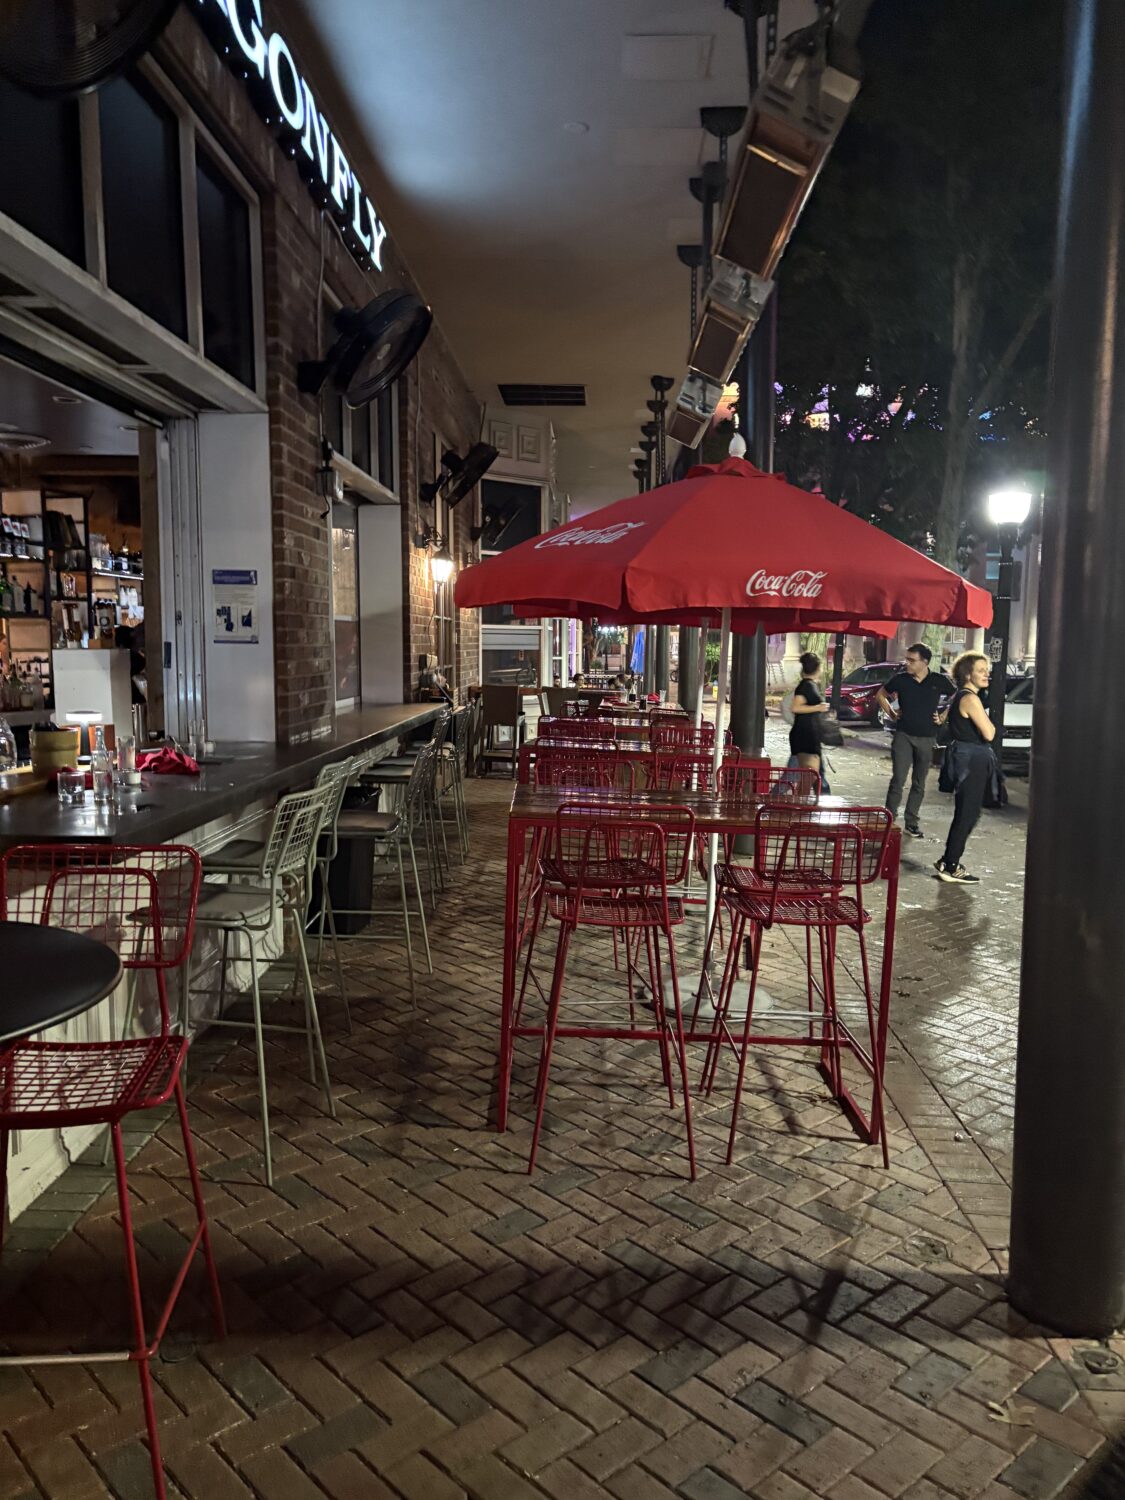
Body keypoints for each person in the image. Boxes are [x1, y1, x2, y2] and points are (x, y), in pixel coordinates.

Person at [934, 651, 996, 884]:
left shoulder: (960, 695)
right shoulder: (970, 699)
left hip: (964, 757)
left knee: (967, 812)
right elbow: (989, 733)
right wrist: (990, 723)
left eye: (987, 670)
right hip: (972, 760)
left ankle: (948, 860)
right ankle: (951, 865)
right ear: (968, 674)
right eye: (981, 670)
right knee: (968, 813)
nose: (986, 674)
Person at [876, 642, 947, 838]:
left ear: (925, 662)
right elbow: (881, 694)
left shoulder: (938, 680)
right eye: (907, 659)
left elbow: (958, 695)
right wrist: (891, 713)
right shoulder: (901, 679)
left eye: (912, 660)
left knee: (919, 782)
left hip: (927, 737)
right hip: (903, 735)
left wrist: (943, 716)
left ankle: (912, 822)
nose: (907, 663)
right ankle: (889, 819)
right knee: (898, 779)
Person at [789, 651, 831, 778]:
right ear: (817, 668)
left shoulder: (809, 685)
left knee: (798, 774)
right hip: (806, 737)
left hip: (807, 735)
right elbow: (795, 708)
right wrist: (818, 707)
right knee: (811, 776)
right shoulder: (807, 685)